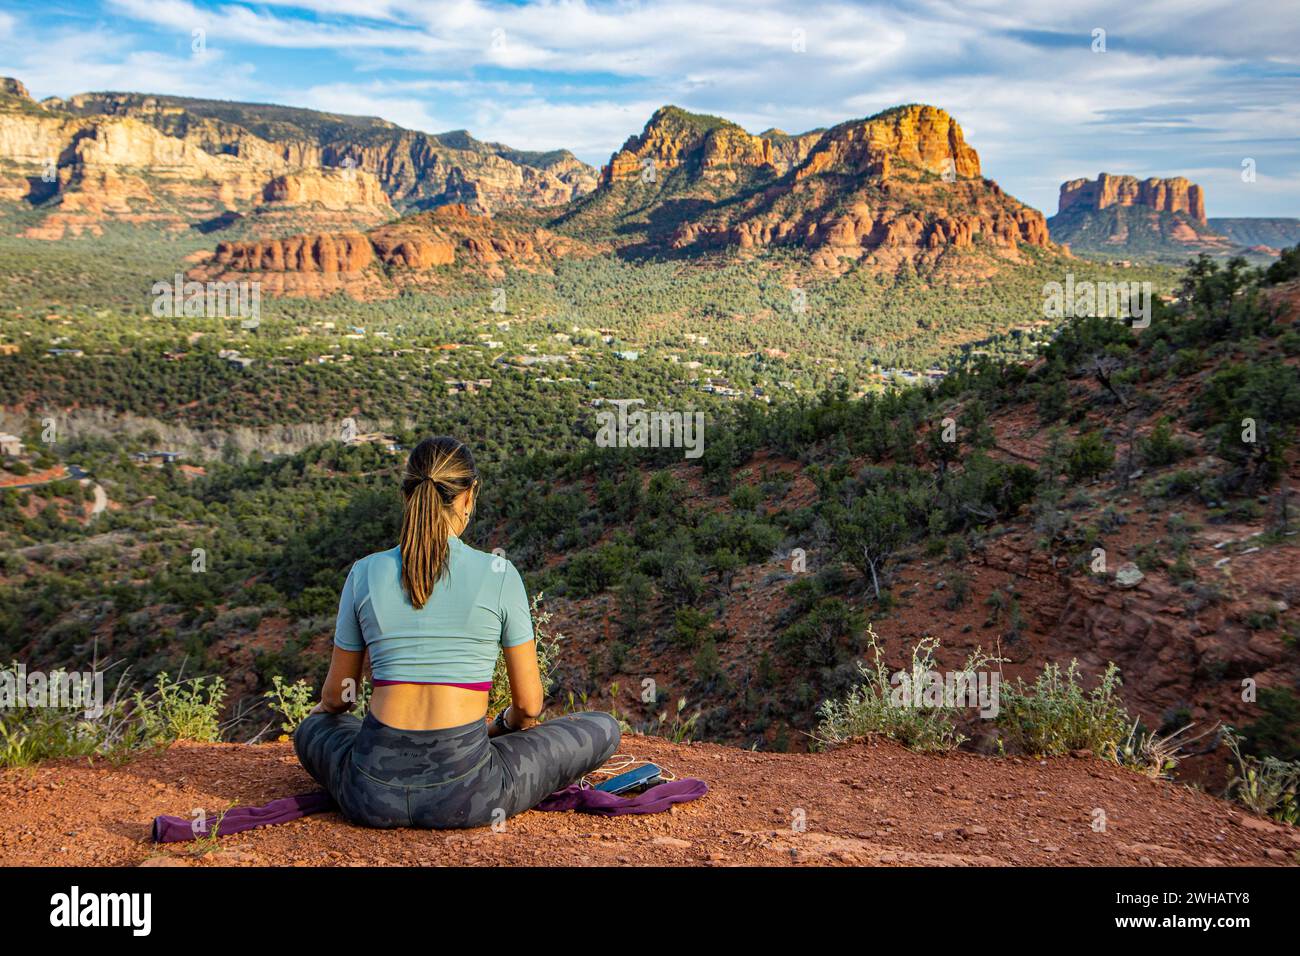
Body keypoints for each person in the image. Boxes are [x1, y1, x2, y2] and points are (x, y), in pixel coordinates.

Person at [294, 435, 620, 828]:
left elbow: (337, 698)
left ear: (407, 494)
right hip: (468, 793)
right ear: (468, 495)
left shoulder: (363, 572)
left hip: (370, 792)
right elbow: (530, 707)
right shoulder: (499, 574)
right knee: (602, 727)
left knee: (314, 727)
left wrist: (321, 716)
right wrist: (499, 728)